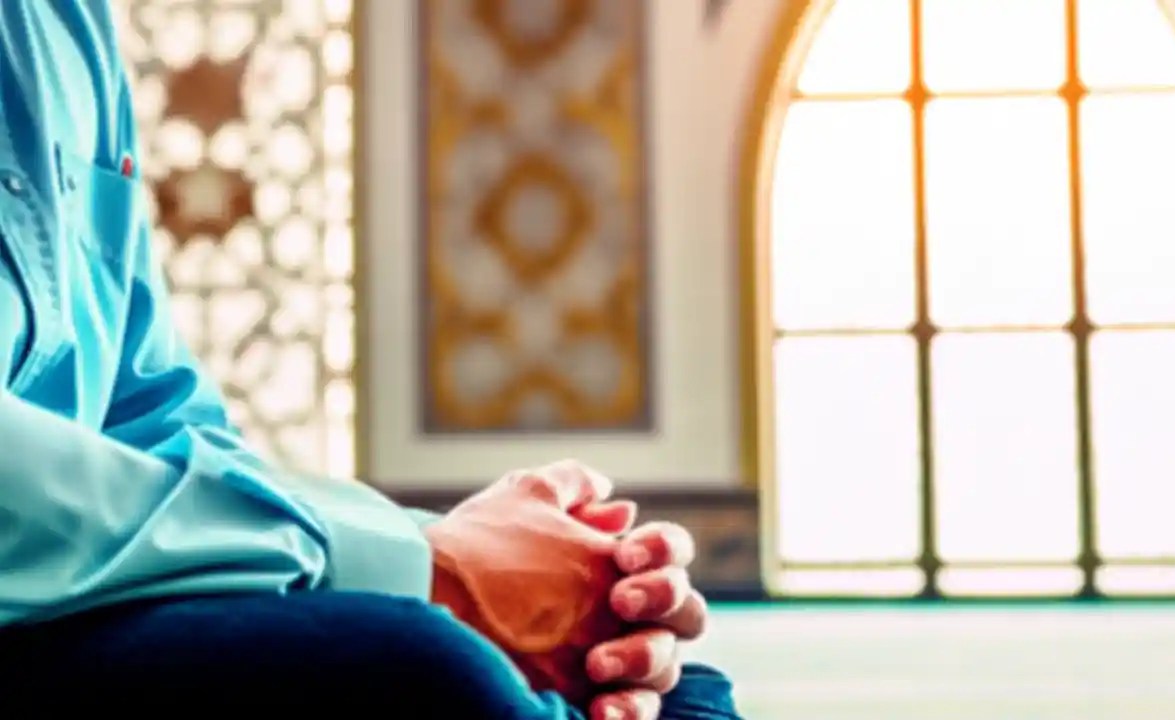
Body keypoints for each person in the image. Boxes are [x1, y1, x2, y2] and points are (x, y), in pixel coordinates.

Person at [0, 3, 742, 719]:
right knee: (426, 673)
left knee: (671, 687)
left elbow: (155, 418)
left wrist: (507, 571)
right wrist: (435, 572)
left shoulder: (68, 19)